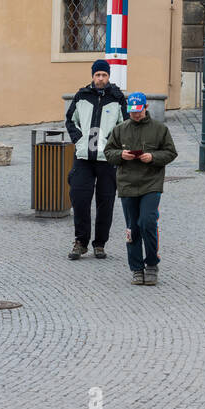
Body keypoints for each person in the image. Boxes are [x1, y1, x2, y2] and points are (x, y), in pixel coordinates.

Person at [104, 92, 177, 286]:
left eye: (138, 111)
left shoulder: (160, 129)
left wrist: (153, 157)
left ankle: (152, 264)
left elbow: (171, 152)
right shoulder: (119, 130)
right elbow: (108, 152)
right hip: (127, 184)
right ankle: (136, 268)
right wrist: (121, 155)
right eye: (132, 112)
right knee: (132, 228)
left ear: (145, 108)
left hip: (151, 183)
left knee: (147, 222)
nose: (135, 115)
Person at [64, 60, 128, 260]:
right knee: (80, 200)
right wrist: (79, 139)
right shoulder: (82, 96)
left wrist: (112, 144)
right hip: (83, 157)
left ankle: (100, 244)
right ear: (92, 76)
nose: (100, 78)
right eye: (97, 75)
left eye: (104, 75)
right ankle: (80, 242)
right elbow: (70, 120)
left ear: (108, 76)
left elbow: (124, 126)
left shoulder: (117, 98)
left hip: (107, 159)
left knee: (105, 202)